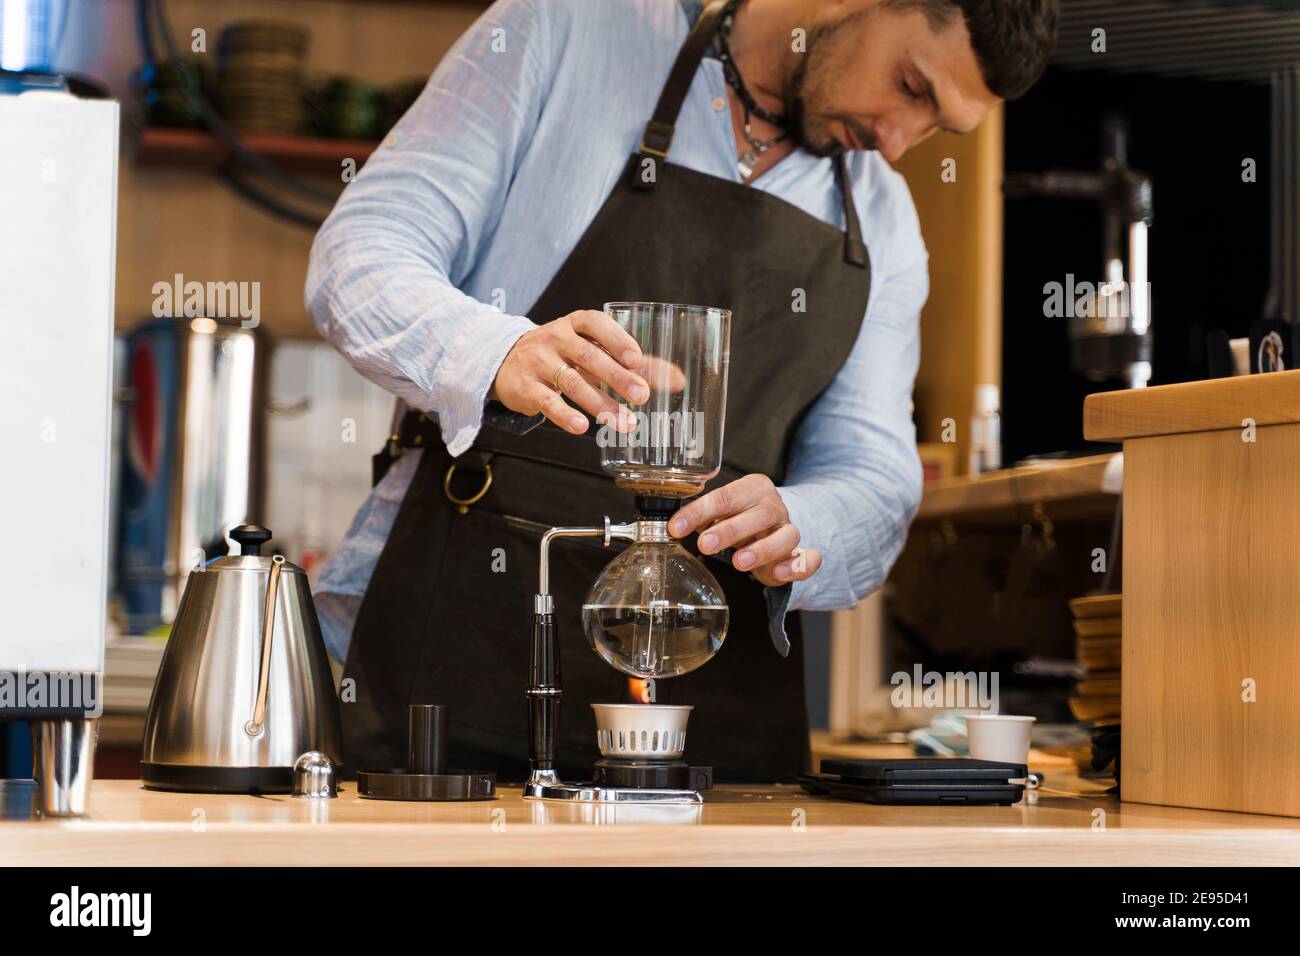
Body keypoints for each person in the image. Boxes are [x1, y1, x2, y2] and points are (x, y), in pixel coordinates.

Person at [305, 0, 1059, 782]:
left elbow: (875, 477)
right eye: (910, 85)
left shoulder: (883, 220)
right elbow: (361, 252)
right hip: (453, 666)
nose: (899, 143)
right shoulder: (567, 29)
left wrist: (802, 521)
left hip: (713, 741)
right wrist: (498, 349)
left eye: (940, 126)